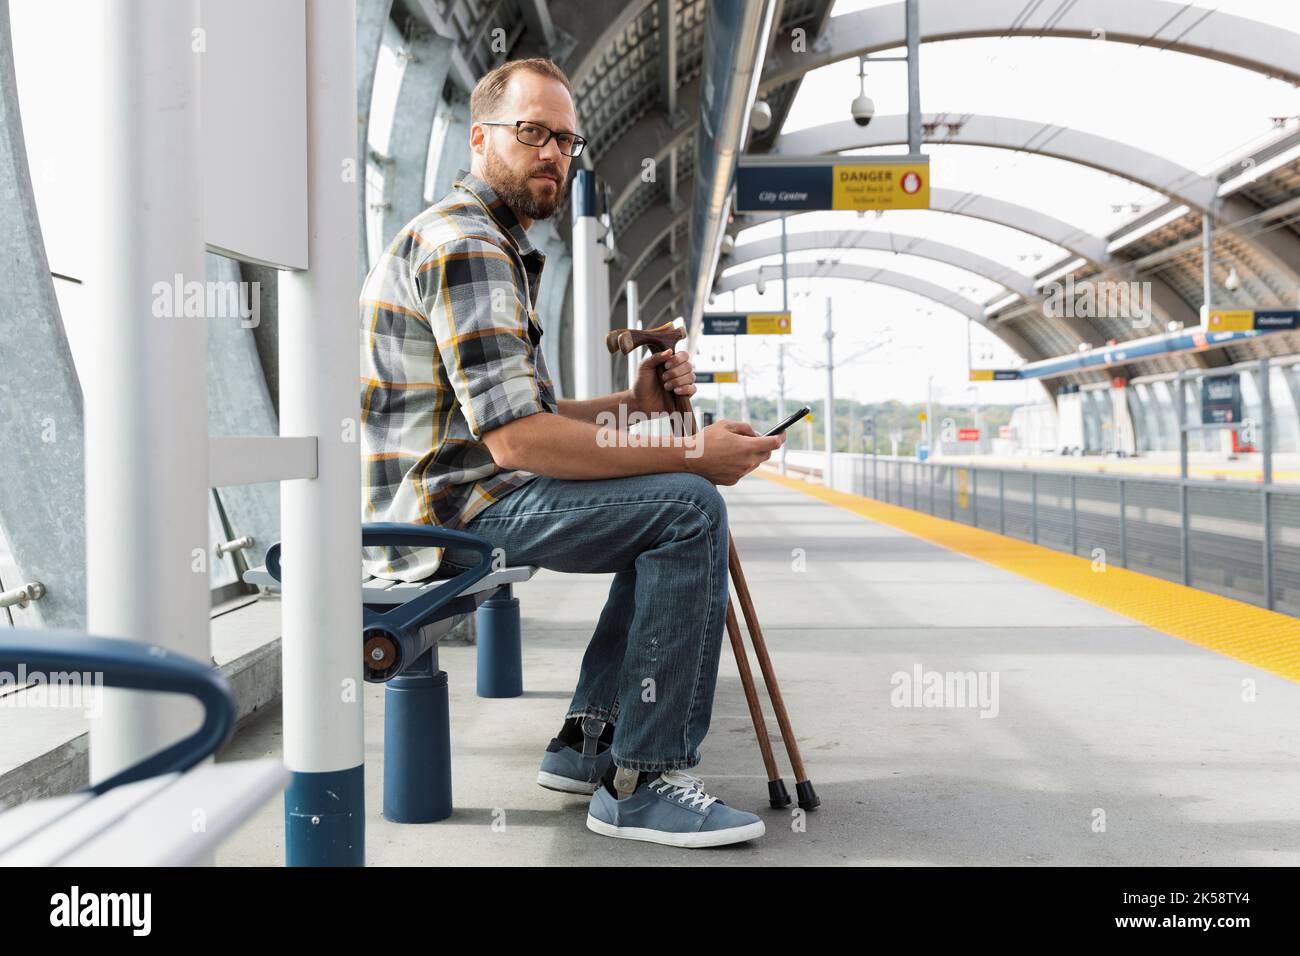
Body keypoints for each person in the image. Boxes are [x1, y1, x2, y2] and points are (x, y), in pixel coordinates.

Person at [359, 57, 783, 848]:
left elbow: (534, 414)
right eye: (531, 133)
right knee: (688, 509)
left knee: (664, 505)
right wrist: (691, 451)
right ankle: (640, 782)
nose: (552, 153)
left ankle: (587, 743)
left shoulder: (484, 242)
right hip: (449, 513)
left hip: (462, 495)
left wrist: (638, 407)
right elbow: (519, 441)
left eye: (565, 138)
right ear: (480, 137)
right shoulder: (469, 248)